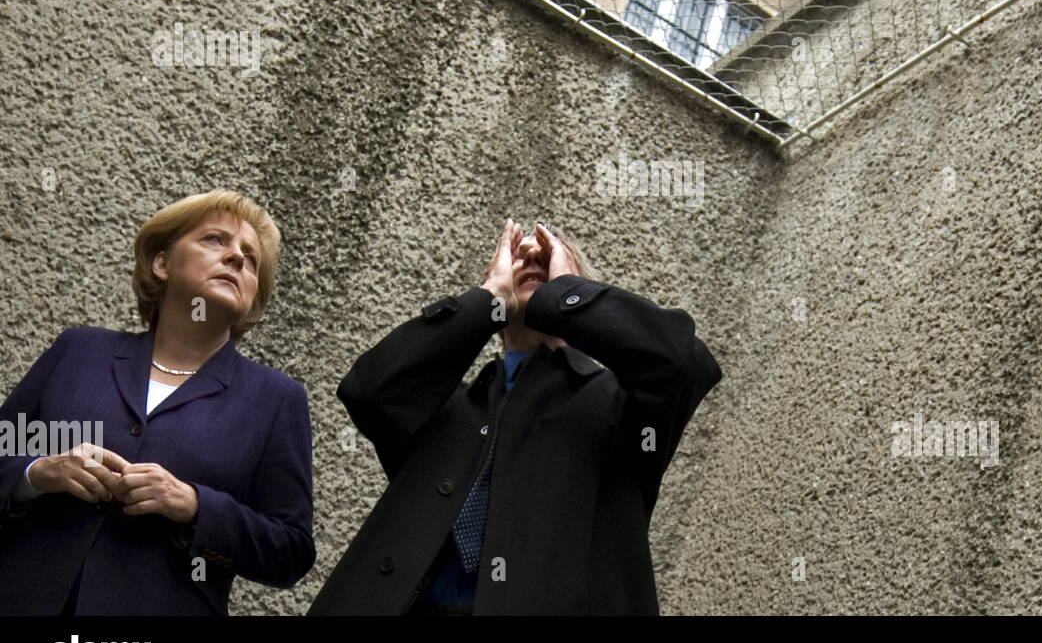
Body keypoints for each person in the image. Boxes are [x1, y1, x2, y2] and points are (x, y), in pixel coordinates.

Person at [308, 218, 722, 615]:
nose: (531, 258)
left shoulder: (621, 408)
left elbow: (685, 365)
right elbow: (368, 393)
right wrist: (487, 299)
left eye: (550, 258)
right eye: (520, 259)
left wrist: (567, 294)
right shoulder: (445, 409)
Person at [0, 189, 315, 615]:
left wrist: (196, 506)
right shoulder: (80, 351)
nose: (237, 258)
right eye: (215, 240)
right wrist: (38, 473)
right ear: (162, 262)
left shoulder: (276, 400)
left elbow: (291, 551)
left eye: (251, 258)